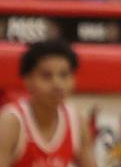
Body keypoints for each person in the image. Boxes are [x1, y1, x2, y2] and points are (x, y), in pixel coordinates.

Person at [0, 39, 97, 167]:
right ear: (27, 80)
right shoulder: (10, 123)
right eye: (46, 76)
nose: (57, 84)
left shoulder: (77, 122)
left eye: (64, 75)